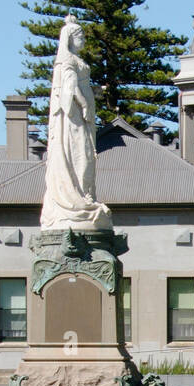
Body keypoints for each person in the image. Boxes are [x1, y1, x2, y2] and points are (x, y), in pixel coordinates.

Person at [41, 15, 112, 231]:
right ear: (71, 38)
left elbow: (79, 84)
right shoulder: (67, 60)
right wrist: (84, 104)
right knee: (80, 154)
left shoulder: (74, 60)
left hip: (83, 119)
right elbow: (69, 87)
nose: (84, 42)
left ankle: (85, 194)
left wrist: (94, 93)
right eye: (81, 37)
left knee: (86, 155)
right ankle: (80, 195)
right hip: (74, 120)